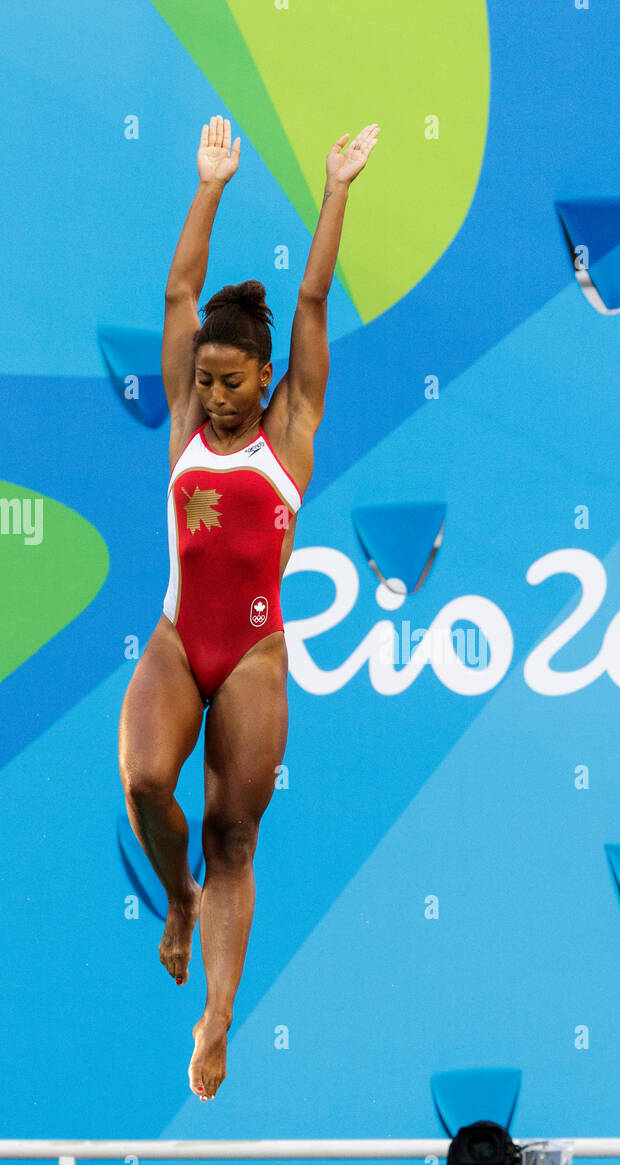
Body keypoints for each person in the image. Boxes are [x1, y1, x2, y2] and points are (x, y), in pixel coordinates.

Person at [118, 115, 379, 1100]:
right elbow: (181, 292)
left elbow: (310, 298)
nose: (214, 397)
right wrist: (210, 184)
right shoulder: (186, 419)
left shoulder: (290, 433)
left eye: (230, 384)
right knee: (146, 781)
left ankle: (217, 1018)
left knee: (235, 834)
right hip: (181, 644)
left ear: (263, 380)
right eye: (202, 382)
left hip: (257, 659)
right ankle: (176, 901)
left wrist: (336, 188)